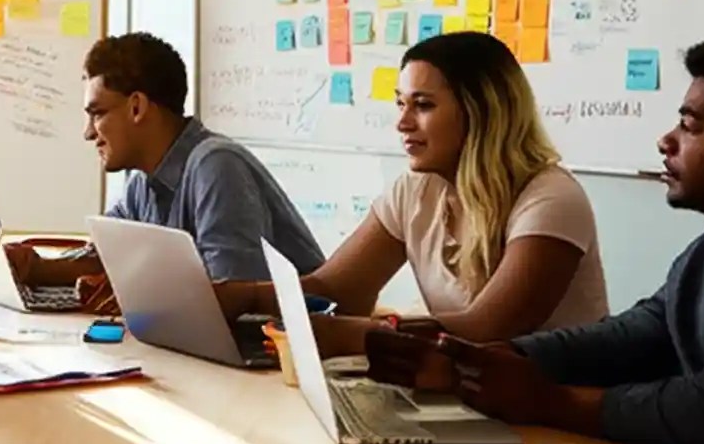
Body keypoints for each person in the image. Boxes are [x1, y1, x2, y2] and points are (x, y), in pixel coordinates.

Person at [370, 34, 704, 444]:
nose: (665, 141)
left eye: (690, 127)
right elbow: (639, 335)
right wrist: (491, 360)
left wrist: (548, 401)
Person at [217, 32, 609, 356]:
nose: (403, 123)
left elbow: (486, 330)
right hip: (467, 398)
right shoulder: (414, 189)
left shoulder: (552, 200)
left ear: (483, 112)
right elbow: (337, 290)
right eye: (400, 103)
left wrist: (354, 334)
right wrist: (237, 297)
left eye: (423, 105)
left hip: (555, 411)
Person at [7, 32, 324, 290]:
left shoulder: (216, 166)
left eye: (98, 114)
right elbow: (104, 255)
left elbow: (234, 296)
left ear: (136, 107)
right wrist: (37, 268)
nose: (89, 133)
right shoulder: (143, 182)